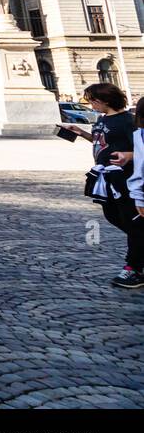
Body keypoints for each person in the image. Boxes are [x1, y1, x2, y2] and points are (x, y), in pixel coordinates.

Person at [73, 83, 142, 288]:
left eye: (93, 100)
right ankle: (139, 251)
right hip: (105, 178)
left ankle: (134, 268)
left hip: (125, 178)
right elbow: (102, 142)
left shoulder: (127, 121)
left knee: (134, 223)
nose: (91, 104)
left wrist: (128, 155)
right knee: (113, 216)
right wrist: (81, 133)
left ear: (106, 100)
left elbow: (141, 147)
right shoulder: (103, 119)